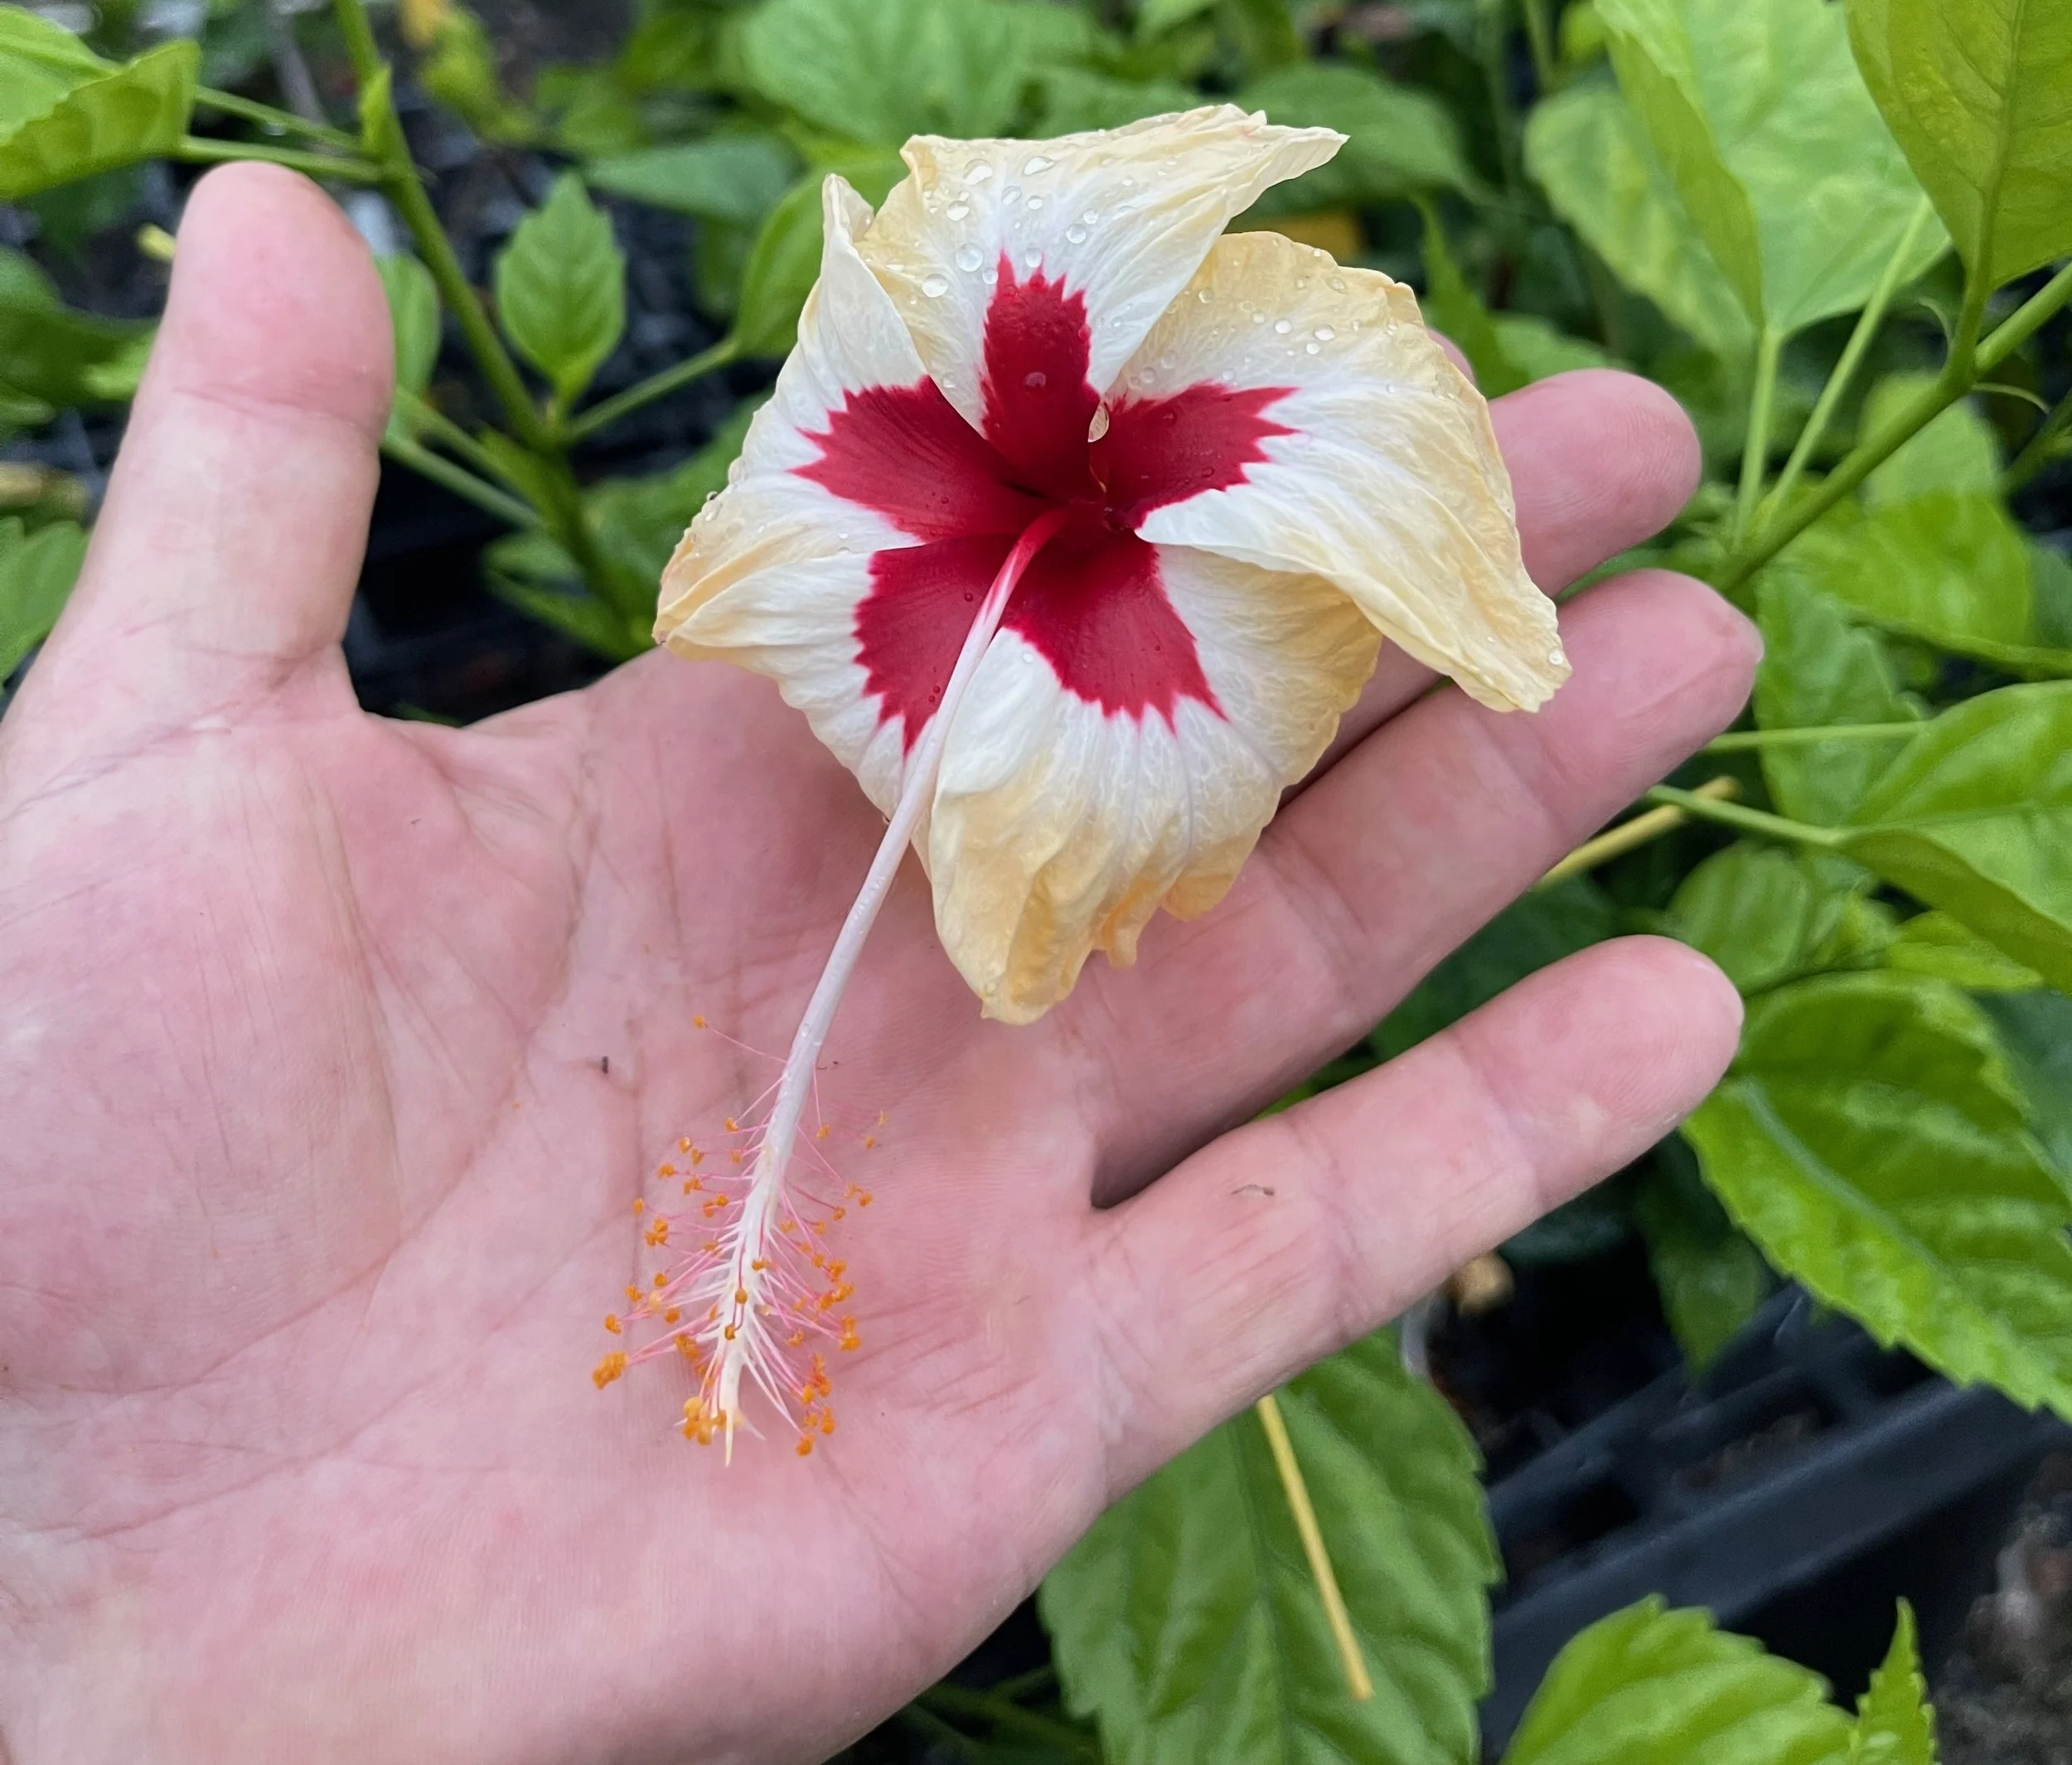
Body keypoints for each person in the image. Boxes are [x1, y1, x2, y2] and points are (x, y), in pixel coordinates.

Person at [0, 166, 1753, 1763]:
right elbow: (786, 567)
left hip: (1091, 547)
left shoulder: (1185, 402)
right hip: (999, 564)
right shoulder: (892, 451)